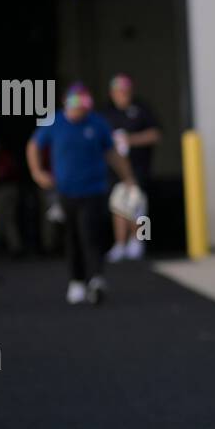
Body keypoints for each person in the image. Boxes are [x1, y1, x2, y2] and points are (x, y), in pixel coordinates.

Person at [26, 82, 136, 304]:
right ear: (66, 103)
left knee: (90, 233)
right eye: (76, 104)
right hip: (65, 191)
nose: (80, 110)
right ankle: (76, 280)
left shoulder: (98, 124)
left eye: (84, 104)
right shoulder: (53, 121)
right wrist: (37, 172)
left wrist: (128, 178)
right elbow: (34, 145)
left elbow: (112, 153)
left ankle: (95, 278)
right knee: (72, 237)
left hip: (93, 190)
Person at [102, 74, 160, 261]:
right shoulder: (107, 113)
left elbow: (156, 134)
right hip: (116, 168)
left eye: (126, 91)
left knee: (139, 205)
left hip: (139, 166)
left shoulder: (141, 109)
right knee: (118, 205)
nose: (123, 95)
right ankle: (120, 243)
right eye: (119, 92)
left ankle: (141, 240)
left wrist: (130, 139)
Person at [0, 139, 24, 259]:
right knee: (8, 221)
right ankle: (15, 247)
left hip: (3, 190)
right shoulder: (1, 160)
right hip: (5, 190)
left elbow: (0, 176)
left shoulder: (4, 160)